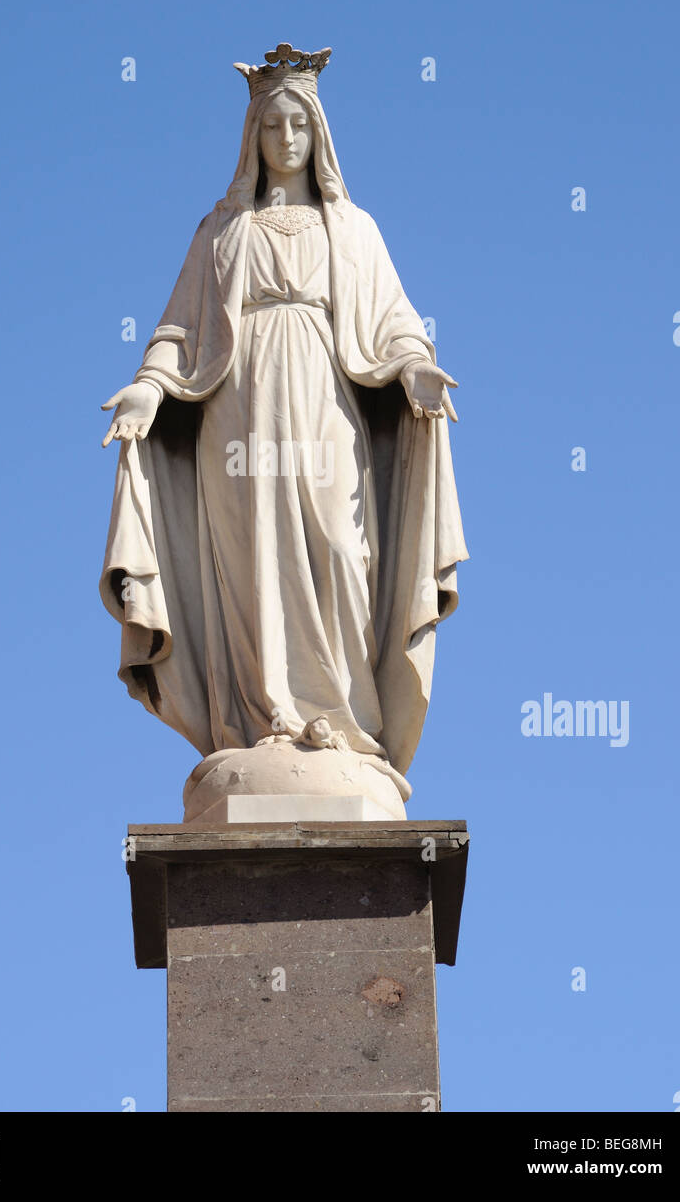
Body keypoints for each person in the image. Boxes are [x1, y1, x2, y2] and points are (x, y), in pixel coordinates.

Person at [99, 44, 468, 805]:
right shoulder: (223, 231)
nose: (287, 137)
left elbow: (394, 321)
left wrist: (413, 368)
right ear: (254, 138)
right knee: (251, 558)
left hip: (327, 401)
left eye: (300, 122)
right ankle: (259, 718)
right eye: (273, 124)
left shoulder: (352, 229)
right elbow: (178, 329)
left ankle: (346, 722)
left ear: (319, 133)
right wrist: (148, 387)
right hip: (237, 409)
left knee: (339, 544)